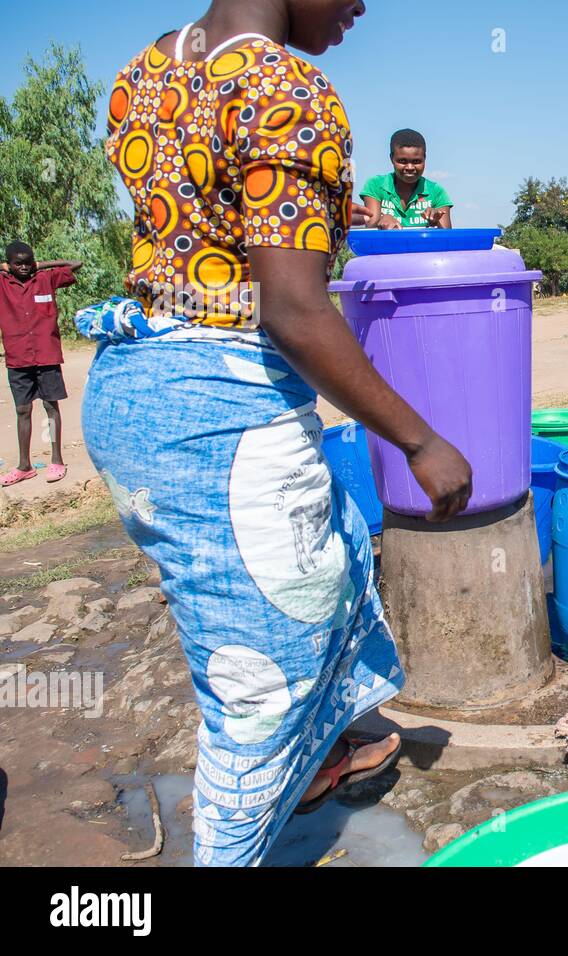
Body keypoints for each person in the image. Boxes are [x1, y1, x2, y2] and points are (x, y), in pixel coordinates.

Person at [87, 0, 472, 866]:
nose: (361, 7)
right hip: (220, 418)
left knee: (326, 578)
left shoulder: (144, 73)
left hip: (135, 393)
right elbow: (294, 311)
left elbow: (205, 237)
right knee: (258, 699)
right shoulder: (285, 84)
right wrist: (417, 441)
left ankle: (322, 753)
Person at [0, 242, 80, 486]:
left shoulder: (47, 279)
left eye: (28, 262)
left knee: (50, 406)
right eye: (18, 263)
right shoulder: (3, 284)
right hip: (18, 357)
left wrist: (39, 266)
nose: (24, 267)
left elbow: (74, 264)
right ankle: (24, 465)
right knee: (22, 410)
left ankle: (56, 460)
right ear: (9, 263)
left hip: (46, 356)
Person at [360, 128, 453, 229]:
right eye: (402, 161)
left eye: (416, 161)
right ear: (392, 158)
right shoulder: (376, 185)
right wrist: (383, 220)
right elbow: (370, 230)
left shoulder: (436, 192)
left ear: (424, 158)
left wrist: (436, 222)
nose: (409, 167)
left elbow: (447, 239)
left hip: (423, 245)